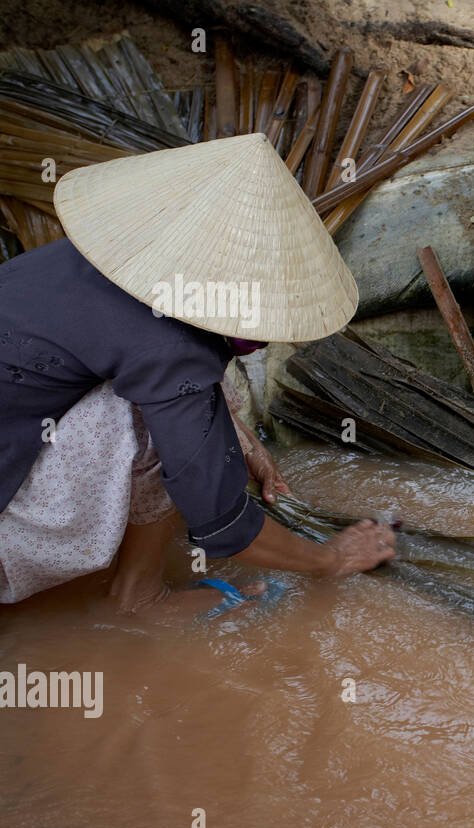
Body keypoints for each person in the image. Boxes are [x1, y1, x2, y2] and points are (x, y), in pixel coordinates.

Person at [0, 133, 396, 616]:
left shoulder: (94, 259)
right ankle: (138, 596)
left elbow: (154, 362)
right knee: (142, 421)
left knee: (192, 395)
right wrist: (331, 558)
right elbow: (221, 524)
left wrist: (235, 437)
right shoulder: (171, 345)